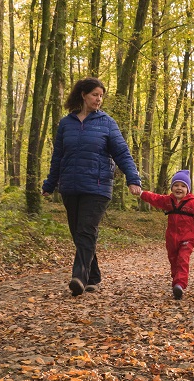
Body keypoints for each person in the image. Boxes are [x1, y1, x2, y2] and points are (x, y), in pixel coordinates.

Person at [42, 78, 142, 296]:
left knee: (86, 230)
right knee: (79, 234)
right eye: (95, 94)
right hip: (70, 185)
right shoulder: (66, 123)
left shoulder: (107, 123)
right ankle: (93, 277)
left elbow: (122, 153)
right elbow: (58, 156)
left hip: (97, 187)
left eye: (101, 96)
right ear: (83, 95)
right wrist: (50, 183)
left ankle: (78, 277)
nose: (99, 99)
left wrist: (133, 179)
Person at [137, 170, 194, 300]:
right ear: (172, 187)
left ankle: (180, 284)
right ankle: (176, 282)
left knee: (183, 259)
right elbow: (155, 198)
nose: (179, 188)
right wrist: (141, 193)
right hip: (171, 239)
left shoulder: (193, 203)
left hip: (187, 239)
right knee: (174, 260)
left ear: (188, 189)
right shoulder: (168, 201)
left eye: (183, 186)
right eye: (176, 185)